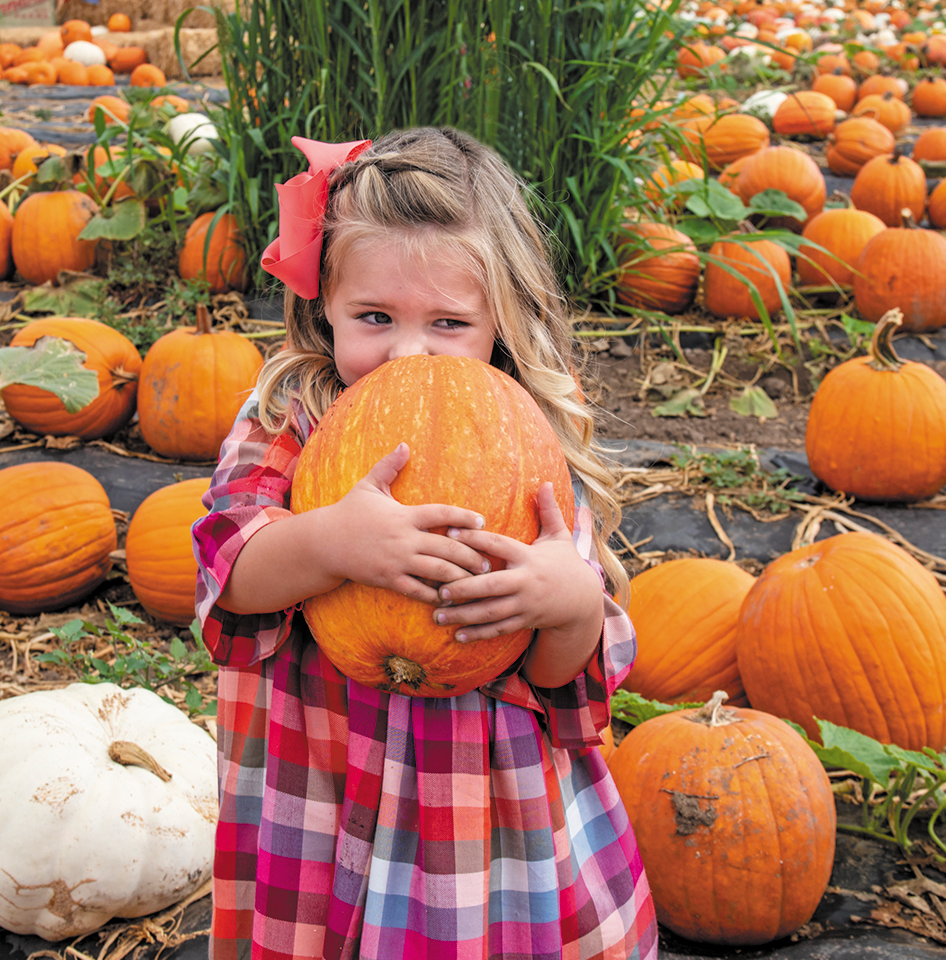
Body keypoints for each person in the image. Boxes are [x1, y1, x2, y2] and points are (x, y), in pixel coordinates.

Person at [192, 127, 656, 960]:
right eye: (374, 317)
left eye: (448, 322)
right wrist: (329, 543)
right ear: (324, 308)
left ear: (499, 320)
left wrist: (567, 604)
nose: (407, 350)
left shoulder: (521, 439)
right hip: (318, 792)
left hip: (473, 828)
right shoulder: (288, 419)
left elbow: (558, 679)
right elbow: (229, 572)